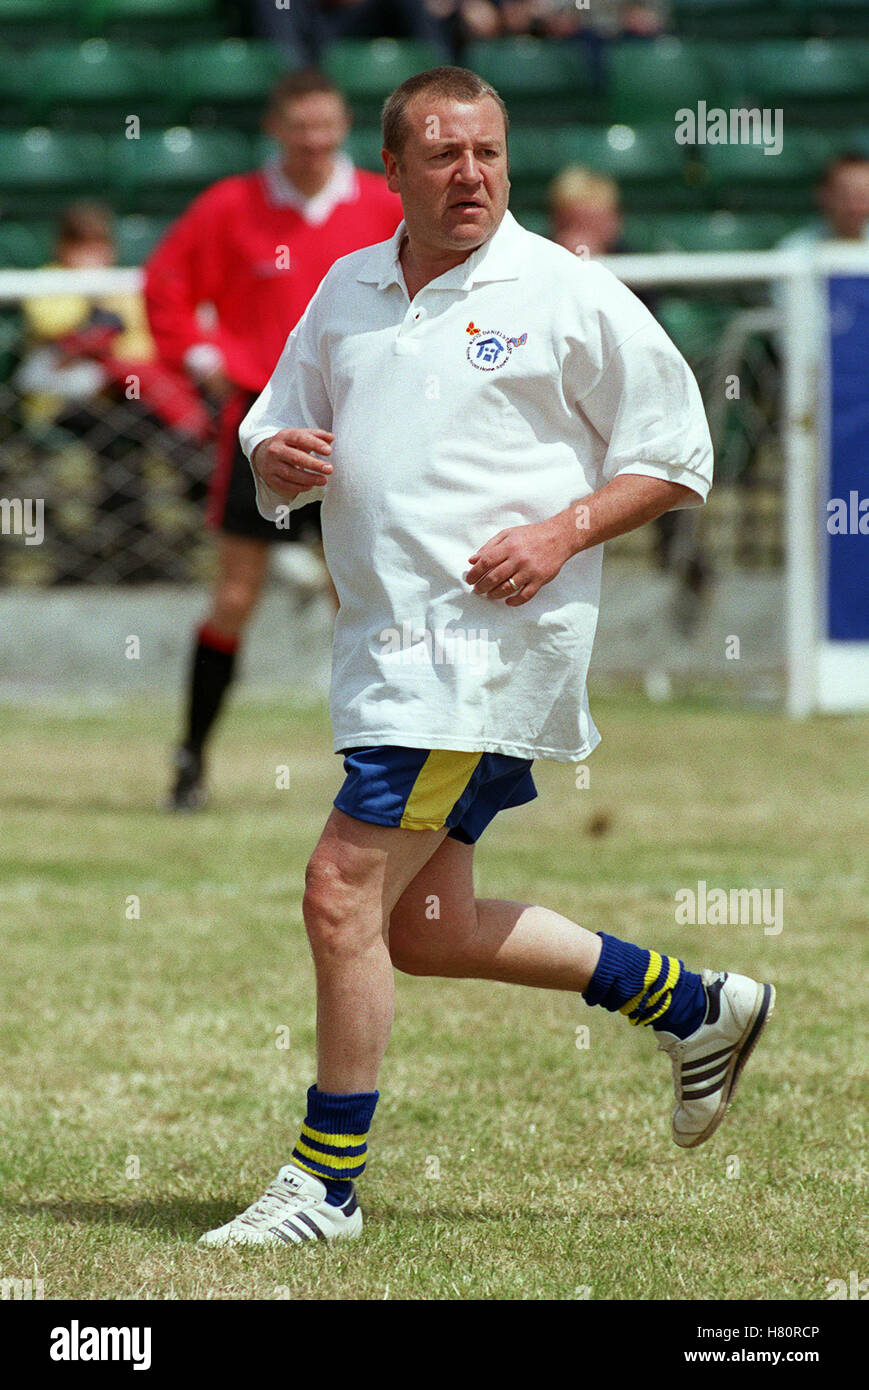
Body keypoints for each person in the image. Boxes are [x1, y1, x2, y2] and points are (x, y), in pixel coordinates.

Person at [199, 66, 775, 1249]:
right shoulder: (349, 285)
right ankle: (695, 1004)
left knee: (337, 890)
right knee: (421, 926)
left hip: (479, 656)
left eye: (489, 154)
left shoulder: (561, 290)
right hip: (383, 653)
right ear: (395, 171)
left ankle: (326, 1185)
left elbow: (676, 453)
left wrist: (559, 530)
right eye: (446, 155)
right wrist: (276, 460)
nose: (471, 174)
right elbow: (267, 422)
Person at [145, 69, 402, 810]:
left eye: (327, 126)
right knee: (234, 596)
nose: (315, 141)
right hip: (262, 425)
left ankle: (383, 778)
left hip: (365, 420)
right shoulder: (230, 207)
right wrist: (202, 359)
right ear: (275, 129)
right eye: (301, 128)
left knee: (362, 596)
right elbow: (165, 286)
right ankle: (190, 760)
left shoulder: (381, 206)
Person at [16, 202, 210, 583]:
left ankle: (145, 543)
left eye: (98, 246)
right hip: (66, 408)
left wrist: (107, 323)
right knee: (113, 438)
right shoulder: (49, 281)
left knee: (136, 434)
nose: (91, 256)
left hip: (124, 403)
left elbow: (140, 348)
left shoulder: (124, 284)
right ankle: (102, 553)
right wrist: (93, 306)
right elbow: (52, 323)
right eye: (80, 246)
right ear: (63, 248)